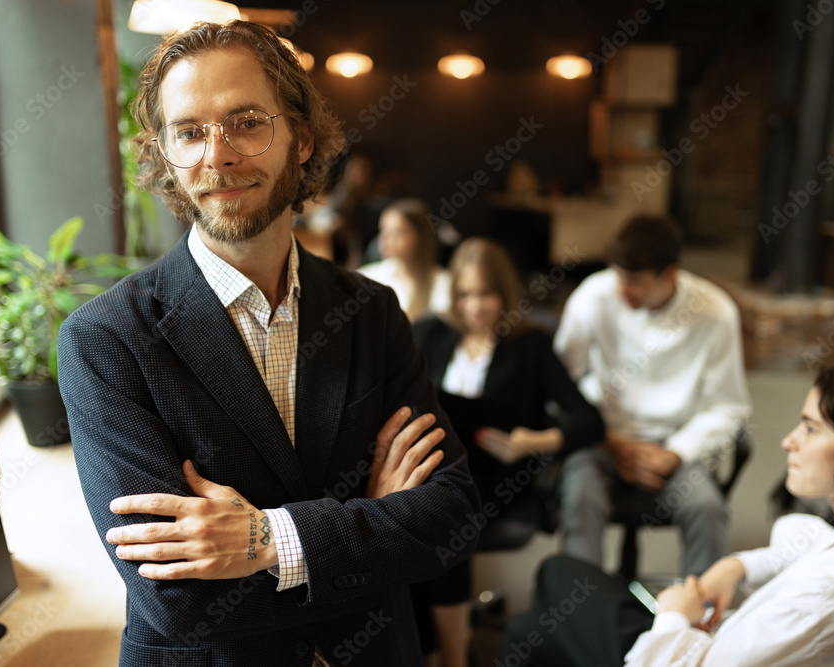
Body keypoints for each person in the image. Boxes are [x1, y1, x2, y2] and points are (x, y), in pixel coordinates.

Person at [57, 20, 480, 667]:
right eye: (190, 131)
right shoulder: (106, 339)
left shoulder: (371, 310)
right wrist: (372, 524)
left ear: (302, 139)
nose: (218, 155)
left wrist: (264, 538)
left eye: (246, 121)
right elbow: (178, 600)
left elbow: (450, 517)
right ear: (166, 154)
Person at [499, 361, 834, 667]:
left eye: (810, 428)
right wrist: (734, 566)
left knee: (557, 572)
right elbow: (803, 550)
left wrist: (675, 613)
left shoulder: (832, 592)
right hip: (704, 639)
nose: (789, 440)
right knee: (529, 633)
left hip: (674, 653)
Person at [409, 238, 604, 667]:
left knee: (438, 516)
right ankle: (424, 649)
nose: (475, 306)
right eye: (465, 294)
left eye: (486, 294)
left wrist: (533, 442)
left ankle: (451, 657)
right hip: (433, 469)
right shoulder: (430, 333)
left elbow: (589, 421)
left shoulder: (529, 346)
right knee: (411, 515)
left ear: (505, 294)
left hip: (498, 478)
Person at [553, 215, 751, 576]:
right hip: (603, 436)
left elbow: (728, 405)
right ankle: (579, 614)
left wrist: (676, 454)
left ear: (670, 275)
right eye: (618, 277)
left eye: (635, 283)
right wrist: (607, 440)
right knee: (580, 498)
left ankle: (698, 622)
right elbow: (560, 384)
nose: (622, 291)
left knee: (706, 508)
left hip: (676, 442)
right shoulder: (593, 297)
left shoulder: (715, 313)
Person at [358, 198, 451, 322]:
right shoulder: (367, 278)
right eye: (383, 231)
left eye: (396, 233)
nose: (385, 240)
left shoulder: (444, 283)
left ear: (419, 236)